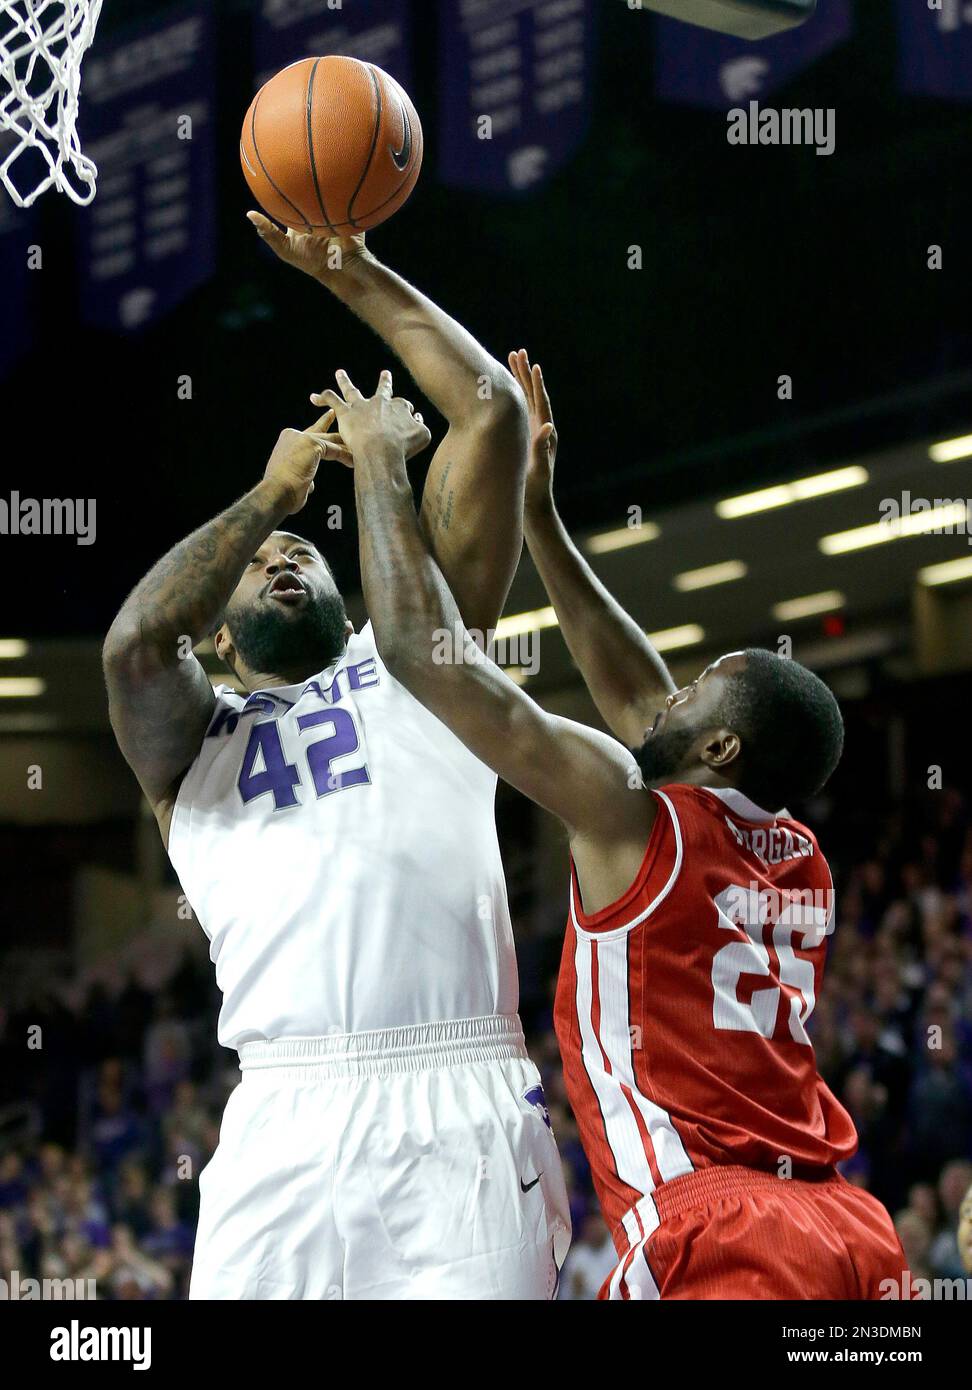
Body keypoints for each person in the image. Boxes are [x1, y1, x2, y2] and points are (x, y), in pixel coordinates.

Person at [326, 360, 911, 1301]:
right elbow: (647, 704)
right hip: (845, 1226)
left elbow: (419, 658)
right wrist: (539, 519)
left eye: (696, 687)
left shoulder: (642, 820)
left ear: (719, 744)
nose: (669, 692)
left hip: (722, 1229)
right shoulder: (798, 855)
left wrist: (379, 471)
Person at [102, 231, 570, 1301]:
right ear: (219, 644)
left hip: (459, 1096)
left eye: (300, 548)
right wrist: (272, 495)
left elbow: (491, 409)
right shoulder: (189, 751)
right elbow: (134, 642)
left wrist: (343, 266)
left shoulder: (425, 661)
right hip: (282, 1118)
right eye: (262, 558)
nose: (280, 555)